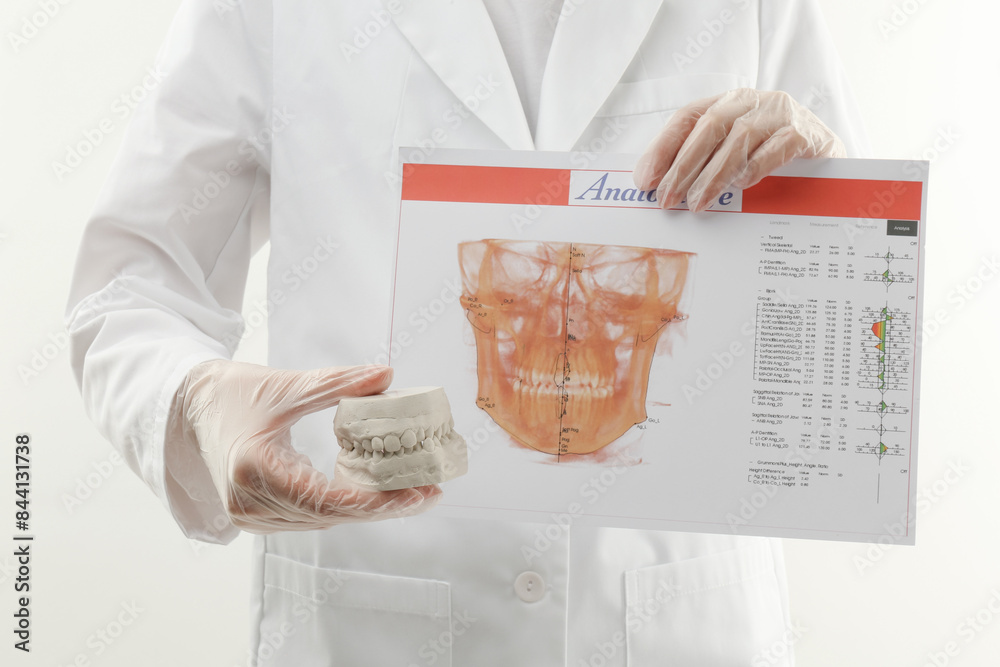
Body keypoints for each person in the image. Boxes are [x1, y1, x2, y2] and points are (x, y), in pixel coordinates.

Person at [66, 1, 868, 664]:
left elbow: (866, 331)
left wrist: (831, 202)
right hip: (373, 616)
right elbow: (129, 286)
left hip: (678, 620)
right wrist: (199, 404)